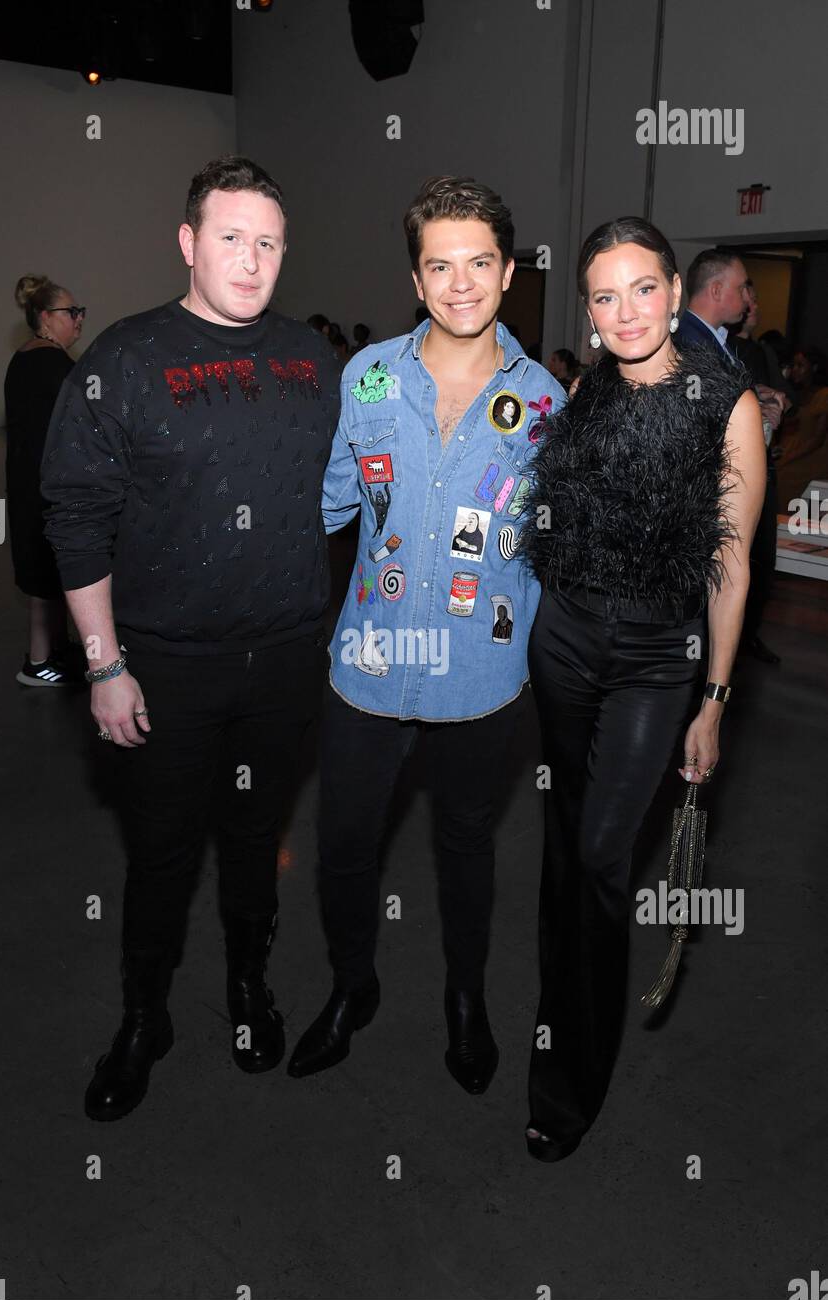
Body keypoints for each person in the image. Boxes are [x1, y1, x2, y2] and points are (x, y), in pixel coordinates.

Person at [41, 156, 341, 1121]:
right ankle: (144, 1015)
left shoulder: (312, 361)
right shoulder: (123, 363)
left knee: (257, 840)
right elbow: (75, 518)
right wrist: (105, 665)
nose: (250, 261)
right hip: (165, 665)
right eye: (229, 239)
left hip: (287, 661)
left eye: (267, 243)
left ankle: (248, 987)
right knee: (163, 852)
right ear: (188, 242)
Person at [287, 175, 566, 1092]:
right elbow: (328, 505)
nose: (459, 283)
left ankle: (465, 999)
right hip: (368, 665)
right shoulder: (366, 377)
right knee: (344, 848)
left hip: (482, 675)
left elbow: (563, 540)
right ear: (415, 276)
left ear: (508, 270)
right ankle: (353, 986)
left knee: (467, 850)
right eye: (439, 265)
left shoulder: (548, 403)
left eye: (478, 263)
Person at [519, 216, 764, 1162]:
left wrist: (715, 697)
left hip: (657, 662)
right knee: (562, 849)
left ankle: (570, 1083)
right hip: (564, 641)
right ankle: (554, 1016)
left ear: (673, 290)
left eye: (643, 289)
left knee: (601, 859)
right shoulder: (584, 395)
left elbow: (733, 569)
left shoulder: (723, 403)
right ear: (590, 307)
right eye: (604, 295)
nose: (626, 311)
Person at [5, 276, 87, 687]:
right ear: (45, 318)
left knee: (48, 572)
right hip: (44, 486)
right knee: (45, 573)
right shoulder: (52, 364)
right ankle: (38, 664)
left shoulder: (25, 357)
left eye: (79, 312)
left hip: (29, 483)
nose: (78, 320)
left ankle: (53, 650)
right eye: (70, 313)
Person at [727, 289, 790, 664]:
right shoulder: (725, 347)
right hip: (740, 463)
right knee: (738, 557)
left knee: (762, 557)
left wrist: (776, 400)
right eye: (746, 296)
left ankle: (747, 637)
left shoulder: (760, 353)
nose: (753, 305)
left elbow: (785, 397)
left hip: (763, 461)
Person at [774, 346, 828, 513]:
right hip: (791, 450)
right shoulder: (793, 393)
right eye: (793, 366)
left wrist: (788, 458)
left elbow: (817, 439)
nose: (795, 370)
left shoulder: (824, 395)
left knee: (784, 477)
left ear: (814, 367)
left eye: (800, 366)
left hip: (811, 457)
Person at [674, 249, 751, 360]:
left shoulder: (709, 339)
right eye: (741, 288)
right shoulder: (692, 348)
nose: (747, 298)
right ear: (716, 291)